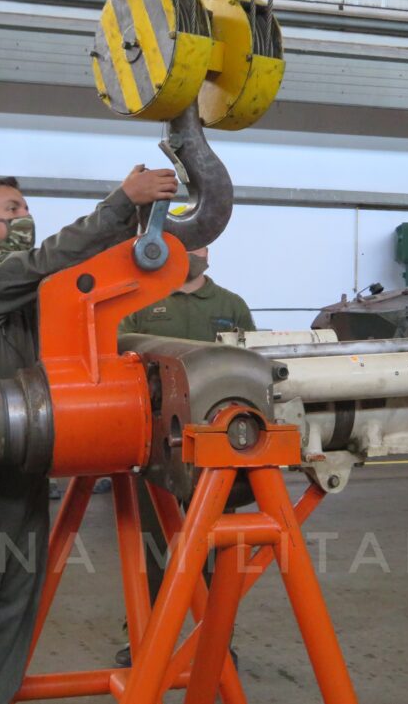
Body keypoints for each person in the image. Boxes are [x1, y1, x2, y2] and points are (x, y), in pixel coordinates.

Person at [0, 166, 177, 704]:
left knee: (12, 613)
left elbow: (73, 271)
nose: (25, 215)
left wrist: (137, 225)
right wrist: (122, 200)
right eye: (13, 209)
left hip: (28, 469)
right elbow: (44, 261)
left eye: (26, 207)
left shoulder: (27, 292)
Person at [113, 243, 256, 667]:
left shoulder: (231, 305)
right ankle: (145, 640)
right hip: (157, 445)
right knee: (154, 546)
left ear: (210, 249)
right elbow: (120, 361)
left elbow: (253, 362)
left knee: (216, 547)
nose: (193, 252)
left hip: (217, 446)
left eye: (199, 244)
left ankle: (214, 643)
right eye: (185, 245)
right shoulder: (142, 304)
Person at [117, 245, 255, 341]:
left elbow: (253, 356)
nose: (188, 254)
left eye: (195, 246)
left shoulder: (233, 305)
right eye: (181, 246)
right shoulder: (138, 303)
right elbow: (119, 350)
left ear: (206, 254)